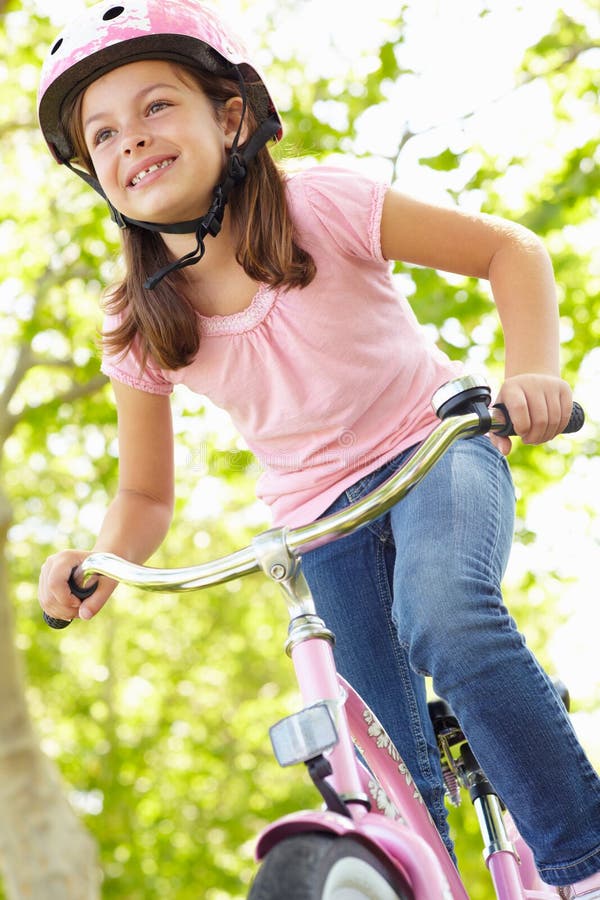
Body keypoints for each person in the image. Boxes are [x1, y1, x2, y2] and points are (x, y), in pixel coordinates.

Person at [36, 1, 600, 894]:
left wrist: (532, 372)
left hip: (432, 449)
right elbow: (144, 495)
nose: (130, 138)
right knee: (378, 758)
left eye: (156, 106)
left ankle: (585, 860)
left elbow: (510, 252)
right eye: (101, 134)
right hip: (318, 522)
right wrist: (101, 560)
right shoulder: (136, 321)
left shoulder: (319, 204)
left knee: (445, 614)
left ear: (231, 117)